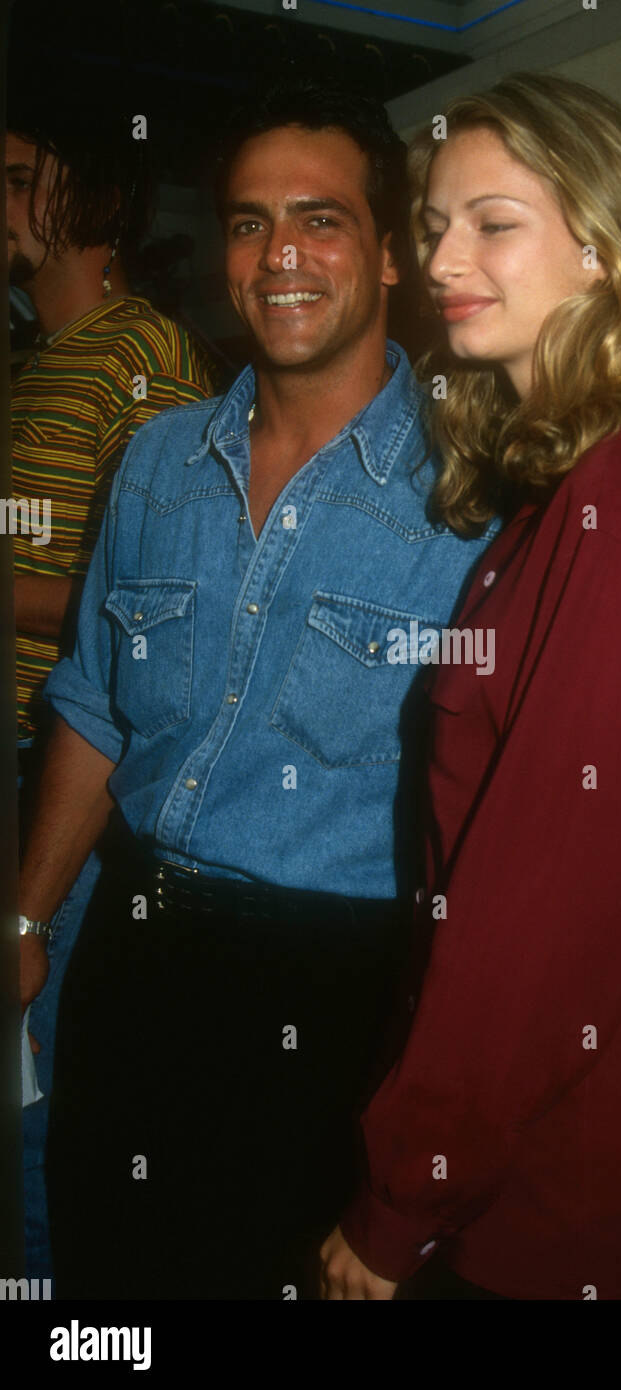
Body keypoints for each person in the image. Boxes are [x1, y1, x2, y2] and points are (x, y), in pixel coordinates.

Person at [319, 73, 621, 1302]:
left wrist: (404, 1193)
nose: (444, 258)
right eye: (434, 224)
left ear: (604, 247)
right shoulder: (602, 479)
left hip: (551, 1177)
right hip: (561, 1131)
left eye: (493, 222)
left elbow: (539, 910)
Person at [16, 75, 499, 1302]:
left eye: (319, 219)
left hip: (335, 991)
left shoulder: (469, 500)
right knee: (104, 1278)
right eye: (248, 222)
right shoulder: (155, 463)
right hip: (131, 955)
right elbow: (93, 706)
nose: (279, 253)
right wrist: (25, 922)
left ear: (388, 254)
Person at [8, 94, 218, 1280]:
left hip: (63, 779)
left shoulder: (143, 354)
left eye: (15, 178)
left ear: (92, 196)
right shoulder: (39, 355)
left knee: (29, 1091)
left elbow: (159, 604)